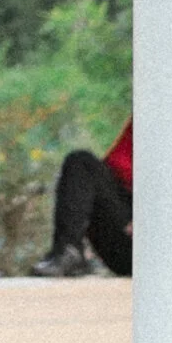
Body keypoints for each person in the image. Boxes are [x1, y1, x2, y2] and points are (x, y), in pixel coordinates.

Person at [33, 118, 133, 277]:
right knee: (81, 162)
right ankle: (68, 252)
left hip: (171, 252)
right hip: (126, 242)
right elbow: (114, 170)